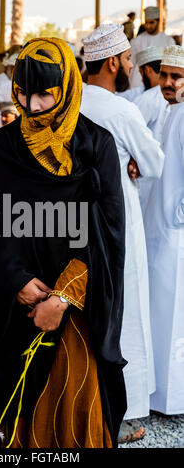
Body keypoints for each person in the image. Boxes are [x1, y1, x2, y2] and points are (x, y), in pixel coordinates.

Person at [0, 37, 127, 448]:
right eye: (22, 92)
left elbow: (108, 234)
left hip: (76, 311)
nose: (32, 106)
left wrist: (62, 299)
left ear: (67, 87)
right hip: (15, 309)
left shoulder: (96, 147)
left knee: (74, 415)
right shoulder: (4, 148)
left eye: (44, 94)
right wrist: (14, 280)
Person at [80, 23, 165, 443]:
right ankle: (122, 414)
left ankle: (81, 403)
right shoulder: (121, 110)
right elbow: (155, 163)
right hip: (117, 222)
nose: (131, 65)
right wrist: (134, 160)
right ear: (113, 61)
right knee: (124, 308)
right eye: (129, 58)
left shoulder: (67, 103)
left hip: (72, 222)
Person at [144, 45, 184, 417]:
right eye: (164, 74)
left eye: (176, 76)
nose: (168, 82)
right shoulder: (168, 112)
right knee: (161, 312)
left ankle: (174, 400)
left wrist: (177, 217)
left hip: (176, 236)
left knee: (175, 317)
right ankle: (161, 396)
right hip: (161, 232)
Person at [133, 47, 169, 215]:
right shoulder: (171, 96)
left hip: (145, 173)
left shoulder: (147, 99)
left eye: (141, 74)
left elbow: (132, 136)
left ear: (147, 70)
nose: (142, 79)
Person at [130, 6, 174, 88]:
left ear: (158, 21)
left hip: (160, 84)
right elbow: (131, 63)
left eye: (151, 22)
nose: (147, 26)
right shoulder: (136, 41)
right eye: (146, 22)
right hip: (138, 83)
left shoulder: (168, 41)